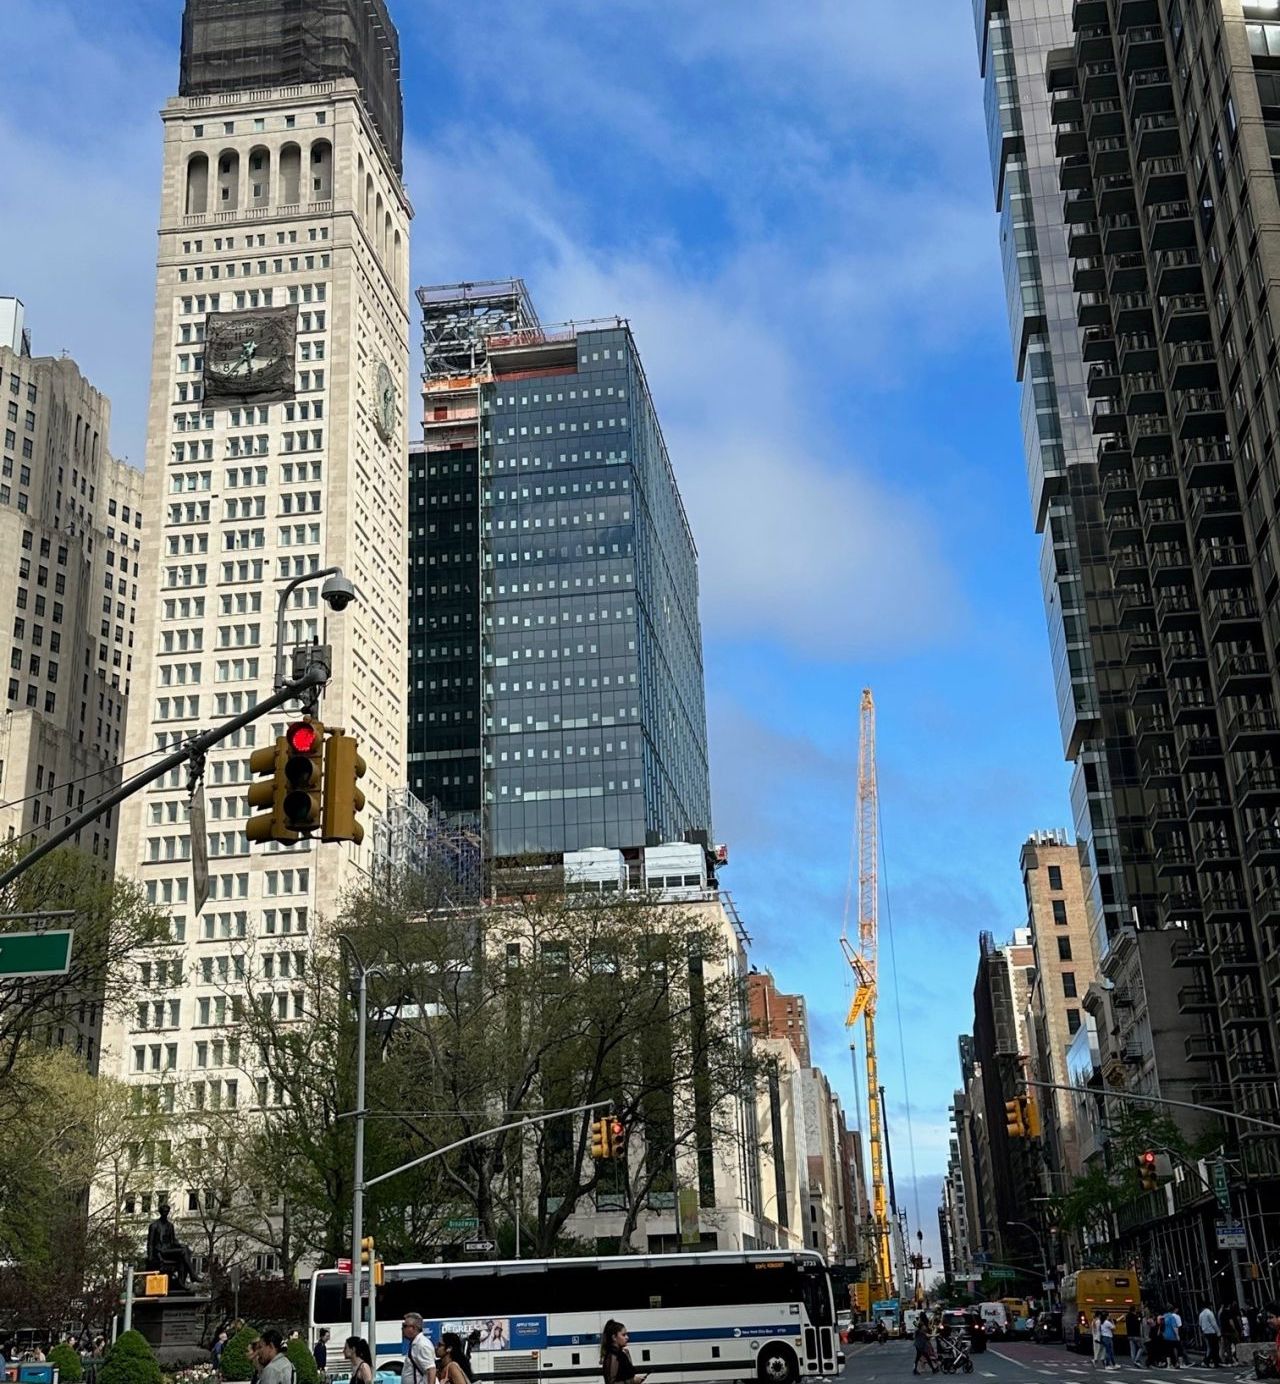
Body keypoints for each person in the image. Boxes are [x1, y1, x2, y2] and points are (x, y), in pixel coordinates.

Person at [403, 1313, 437, 1384]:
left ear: (413, 1328)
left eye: (405, 1326)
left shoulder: (422, 1344)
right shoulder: (415, 1343)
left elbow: (431, 1370)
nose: (402, 1329)